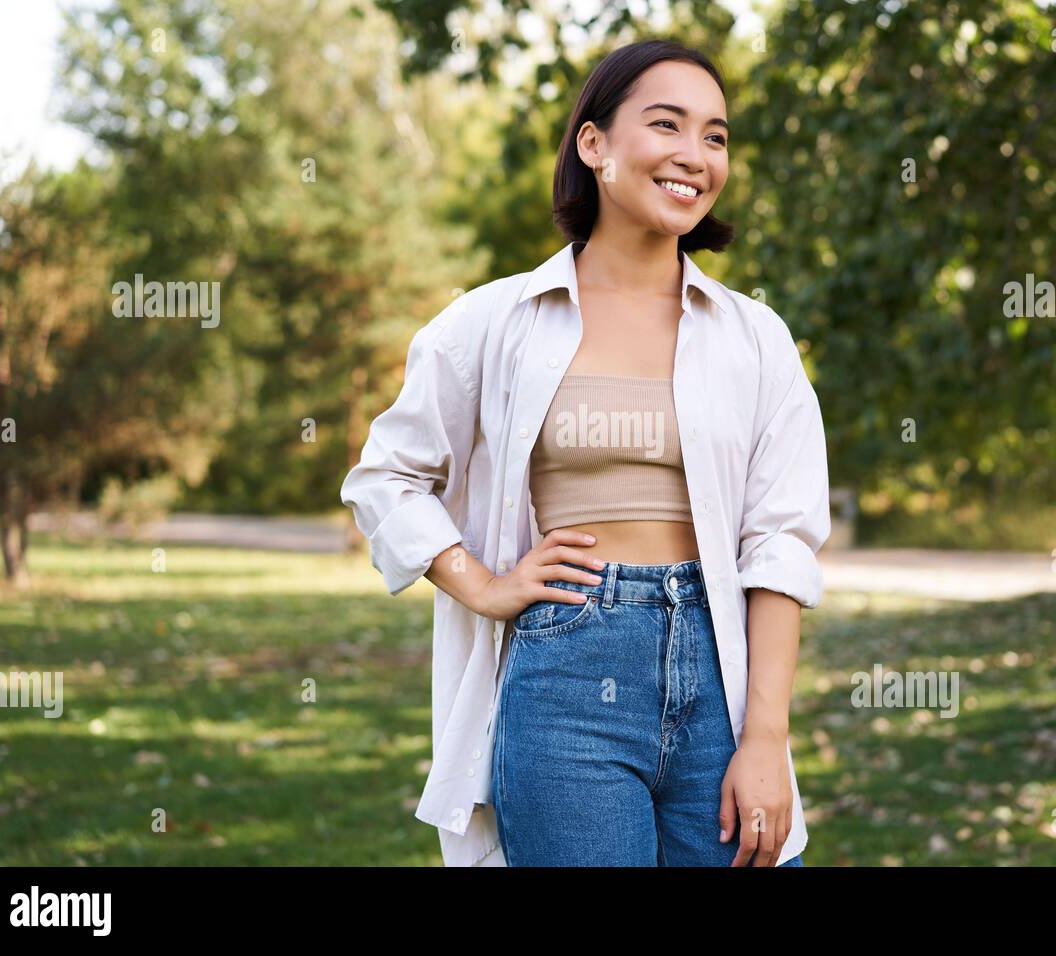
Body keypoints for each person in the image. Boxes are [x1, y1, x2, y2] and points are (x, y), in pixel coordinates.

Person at [340, 38, 831, 867]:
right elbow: (386, 477)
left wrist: (766, 740)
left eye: (714, 135)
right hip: (567, 671)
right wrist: (486, 586)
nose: (694, 155)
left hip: (722, 672)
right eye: (666, 124)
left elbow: (779, 540)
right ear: (594, 145)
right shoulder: (494, 322)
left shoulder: (755, 338)